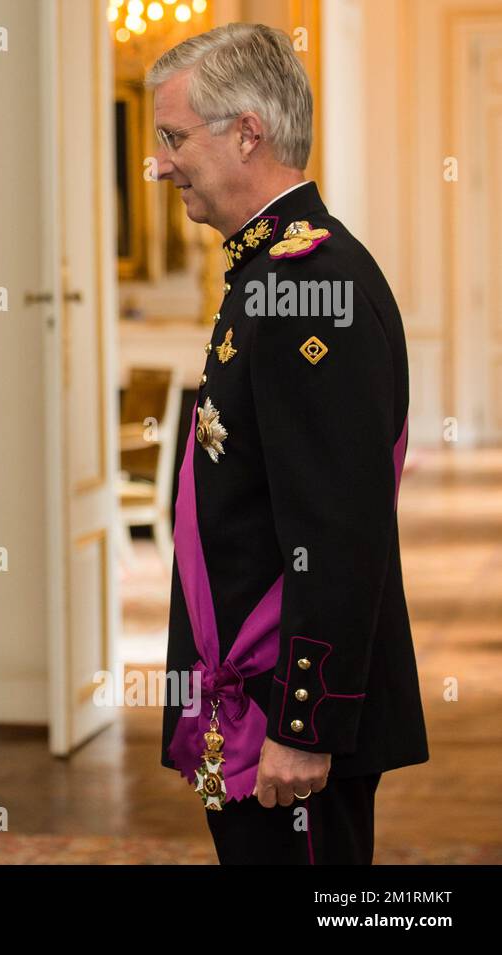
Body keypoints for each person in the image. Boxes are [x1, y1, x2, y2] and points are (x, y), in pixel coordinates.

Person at [150, 24, 429, 864]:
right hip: (251, 695)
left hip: (287, 713)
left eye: (173, 137)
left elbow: (340, 531)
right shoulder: (270, 271)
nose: (159, 164)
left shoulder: (307, 284)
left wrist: (304, 726)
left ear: (247, 131)